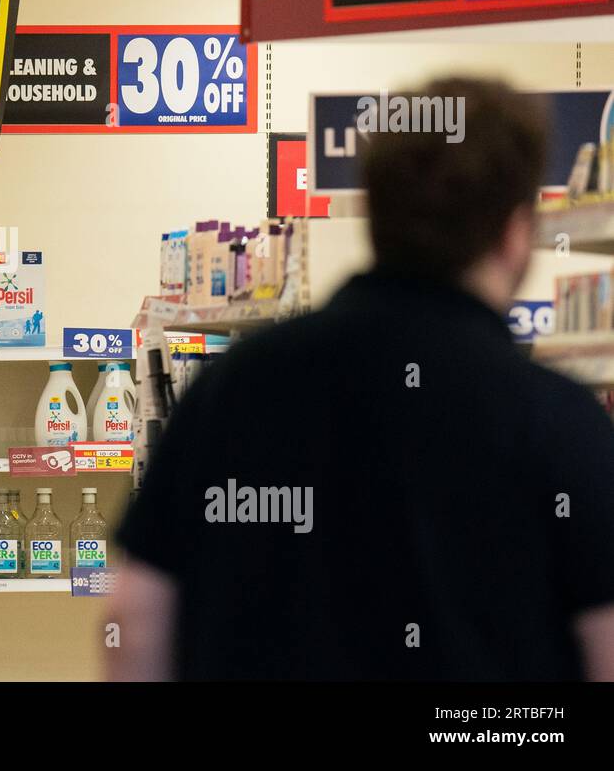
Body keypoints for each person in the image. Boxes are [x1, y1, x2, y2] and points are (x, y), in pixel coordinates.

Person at [108, 77, 614, 680]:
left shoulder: (233, 389)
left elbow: (133, 622)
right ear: (515, 230)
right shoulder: (559, 422)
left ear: (376, 215)